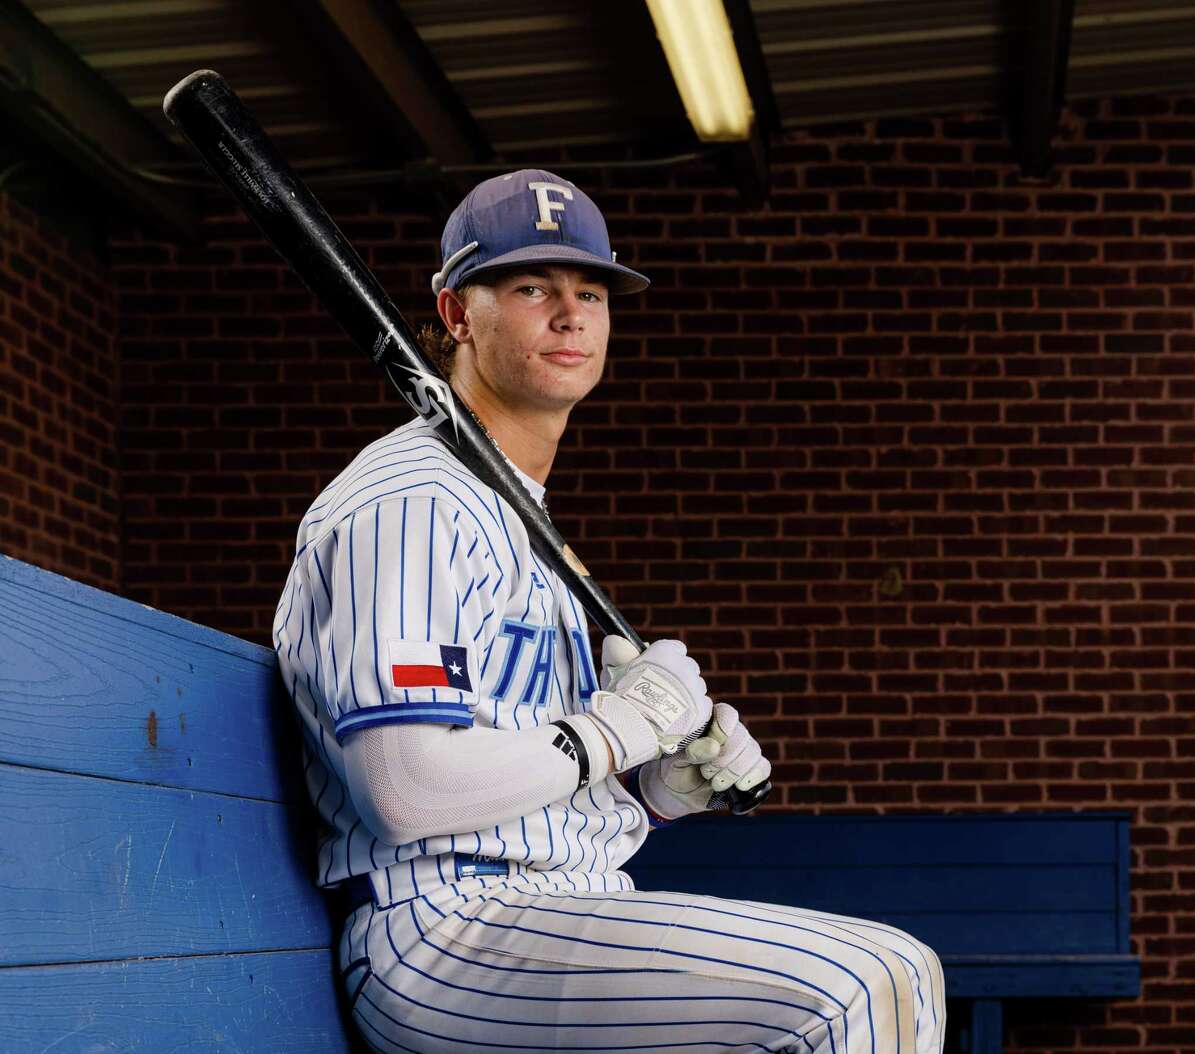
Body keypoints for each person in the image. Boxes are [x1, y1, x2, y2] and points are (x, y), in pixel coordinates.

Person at [273, 169, 945, 1053]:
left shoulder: (514, 512)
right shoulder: (411, 503)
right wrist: (616, 729)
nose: (570, 314)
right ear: (454, 313)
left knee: (897, 975)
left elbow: (521, 767)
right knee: (868, 986)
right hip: (445, 933)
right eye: (530, 287)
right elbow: (406, 789)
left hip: (548, 903)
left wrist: (652, 792)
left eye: (591, 291)